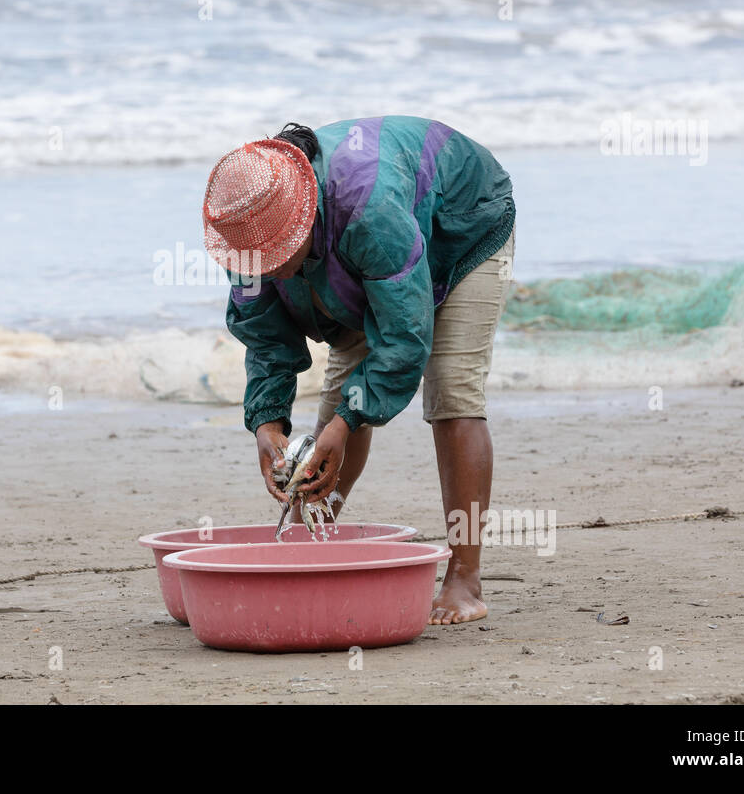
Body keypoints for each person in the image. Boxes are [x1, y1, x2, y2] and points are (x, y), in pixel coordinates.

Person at [202, 116, 515, 624]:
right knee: (339, 405)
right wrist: (267, 423)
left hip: (465, 218)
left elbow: (404, 339)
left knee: (452, 393)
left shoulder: (370, 212)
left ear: (304, 221)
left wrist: (347, 424)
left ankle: (464, 578)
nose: (269, 270)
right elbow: (265, 337)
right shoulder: (249, 229)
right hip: (363, 249)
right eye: (261, 262)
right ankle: (306, 552)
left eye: (279, 257)